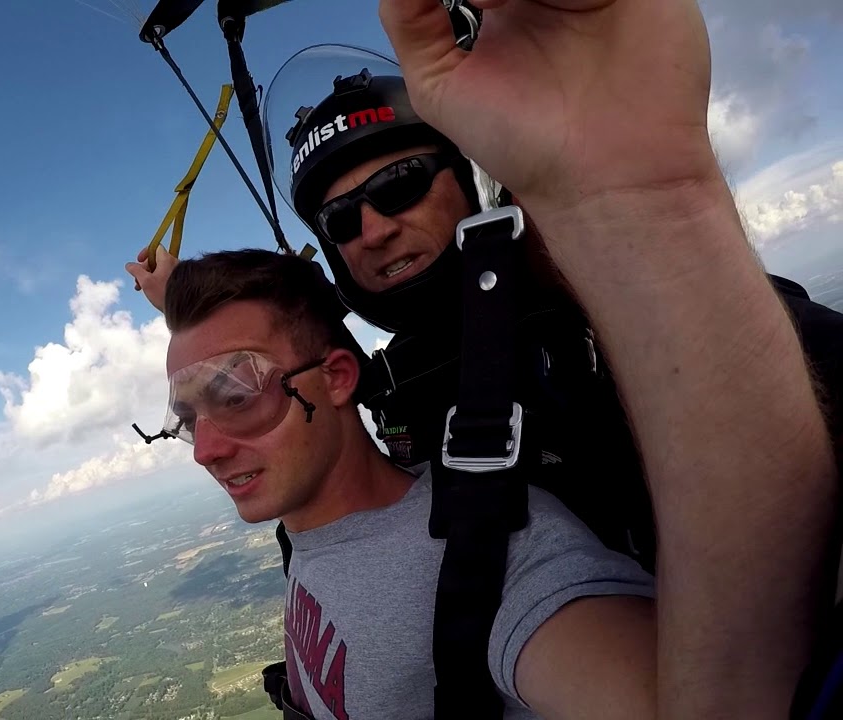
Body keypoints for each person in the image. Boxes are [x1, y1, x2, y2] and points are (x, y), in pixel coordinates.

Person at [130, 1, 842, 715]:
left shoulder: (607, 303)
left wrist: (647, 201)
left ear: (466, 182)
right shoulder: (408, 369)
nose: (373, 229)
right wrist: (205, 342)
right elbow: (316, 373)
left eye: (400, 184)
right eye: (340, 220)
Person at [160, 248, 658, 719]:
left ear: (335, 379)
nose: (207, 451)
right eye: (189, 418)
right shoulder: (304, 523)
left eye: (239, 397)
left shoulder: (495, 555)